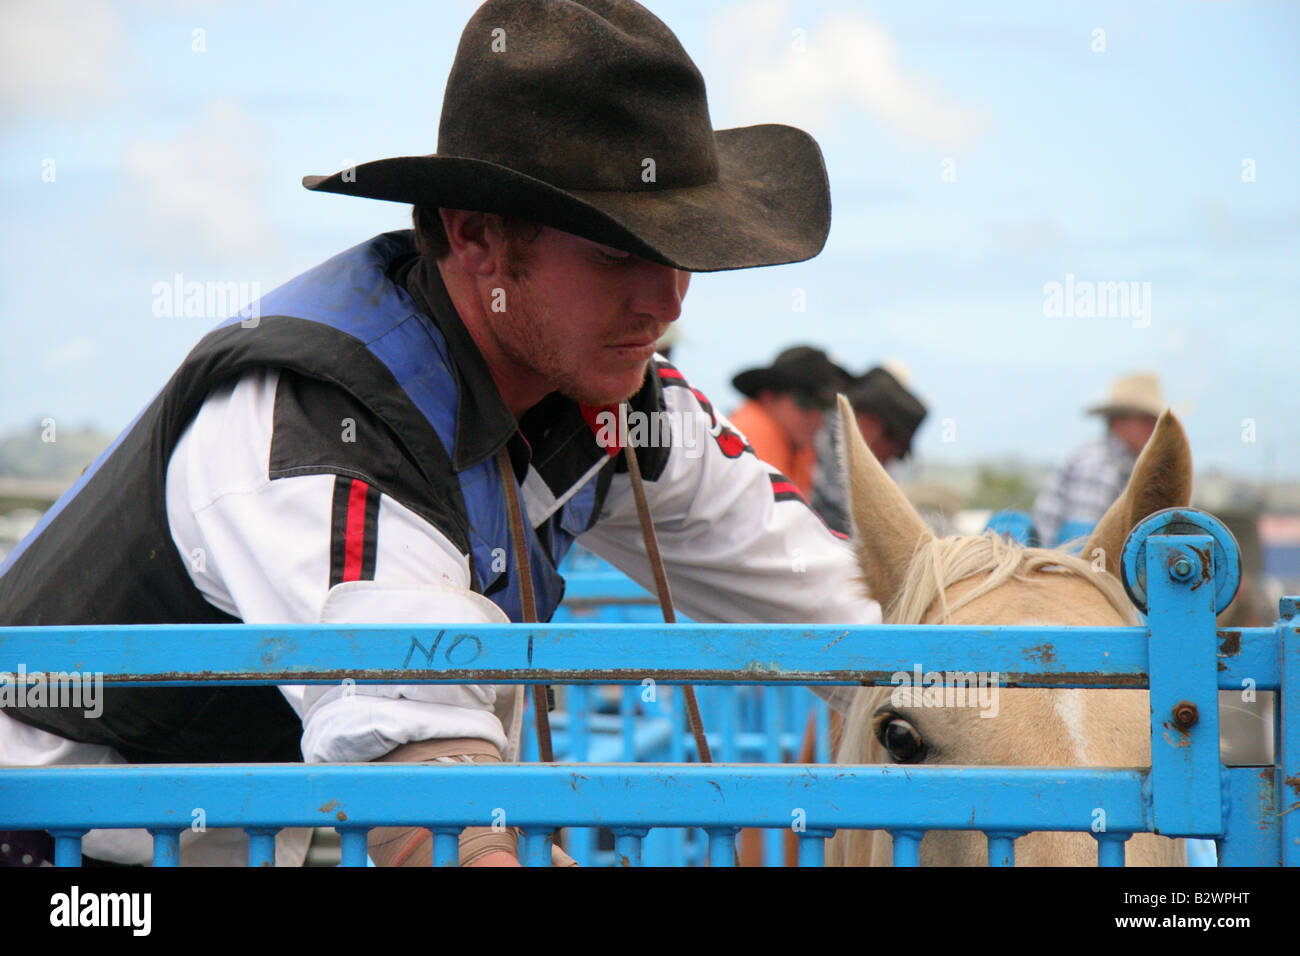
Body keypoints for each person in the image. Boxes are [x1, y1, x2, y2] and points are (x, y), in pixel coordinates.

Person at [0, 0, 878, 867]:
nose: (668, 299)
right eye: (619, 253)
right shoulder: (316, 424)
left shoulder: (619, 397)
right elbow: (429, 809)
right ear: (479, 238)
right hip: (56, 851)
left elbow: (846, 608)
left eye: (684, 247)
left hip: (246, 839)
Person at [1032, 371, 1165, 547]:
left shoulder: (1122, 463)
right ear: (1119, 421)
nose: (1155, 427)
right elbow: (1081, 543)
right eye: (1147, 419)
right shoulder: (1099, 464)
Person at [810, 365, 928, 536]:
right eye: (894, 448)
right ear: (869, 422)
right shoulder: (816, 450)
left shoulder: (827, 449)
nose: (889, 459)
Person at [727, 346, 849, 496]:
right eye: (806, 402)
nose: (816, 418)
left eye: (824, 407)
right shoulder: (748, 435)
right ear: (768, 398)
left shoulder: (799, 446)